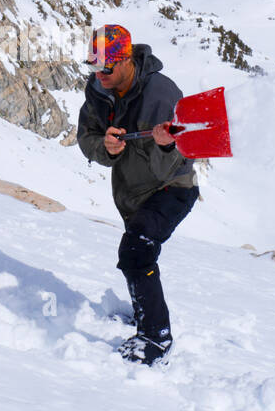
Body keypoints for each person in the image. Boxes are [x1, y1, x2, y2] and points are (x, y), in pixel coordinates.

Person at [77, 24, 199, 366]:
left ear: (126, 60)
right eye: (93, 65)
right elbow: (86, 135)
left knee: (136, 249)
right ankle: (142, 313)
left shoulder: (162, 95)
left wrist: (166, 144)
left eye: (106, 67)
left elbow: (172, 164)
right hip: (131, 192)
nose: (99, 73)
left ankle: (155, 336)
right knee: (137, 254)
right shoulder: (99, 90)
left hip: (172, 187)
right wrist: (106, 148)